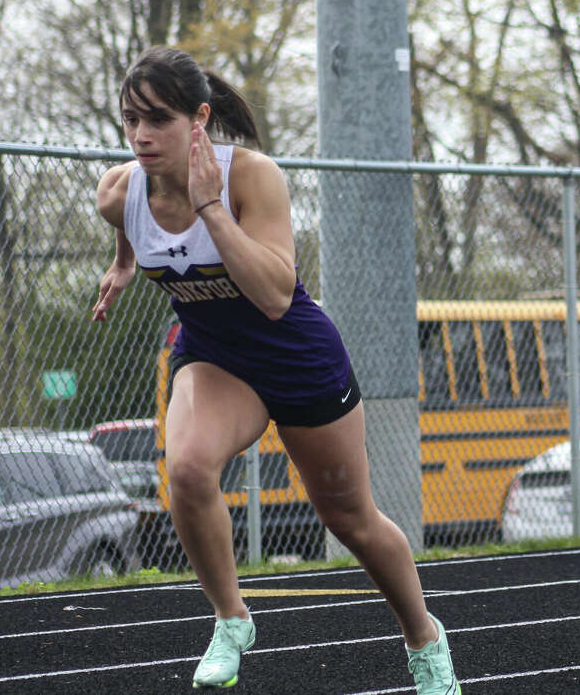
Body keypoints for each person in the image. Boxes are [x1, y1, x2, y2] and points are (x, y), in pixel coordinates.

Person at [92, 46, 461, 694]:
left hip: (295, 356)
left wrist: (211, 209)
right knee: (185, 468)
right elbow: (126, 228)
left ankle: (424, 639)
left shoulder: (251, 177)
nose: (142, 136)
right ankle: (231, 619)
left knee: (351, 521)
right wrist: (124, 261)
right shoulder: (121, 193)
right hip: (214, 356)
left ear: (199, 118)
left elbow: (274, 294)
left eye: (159, 120)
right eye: (130, 121)